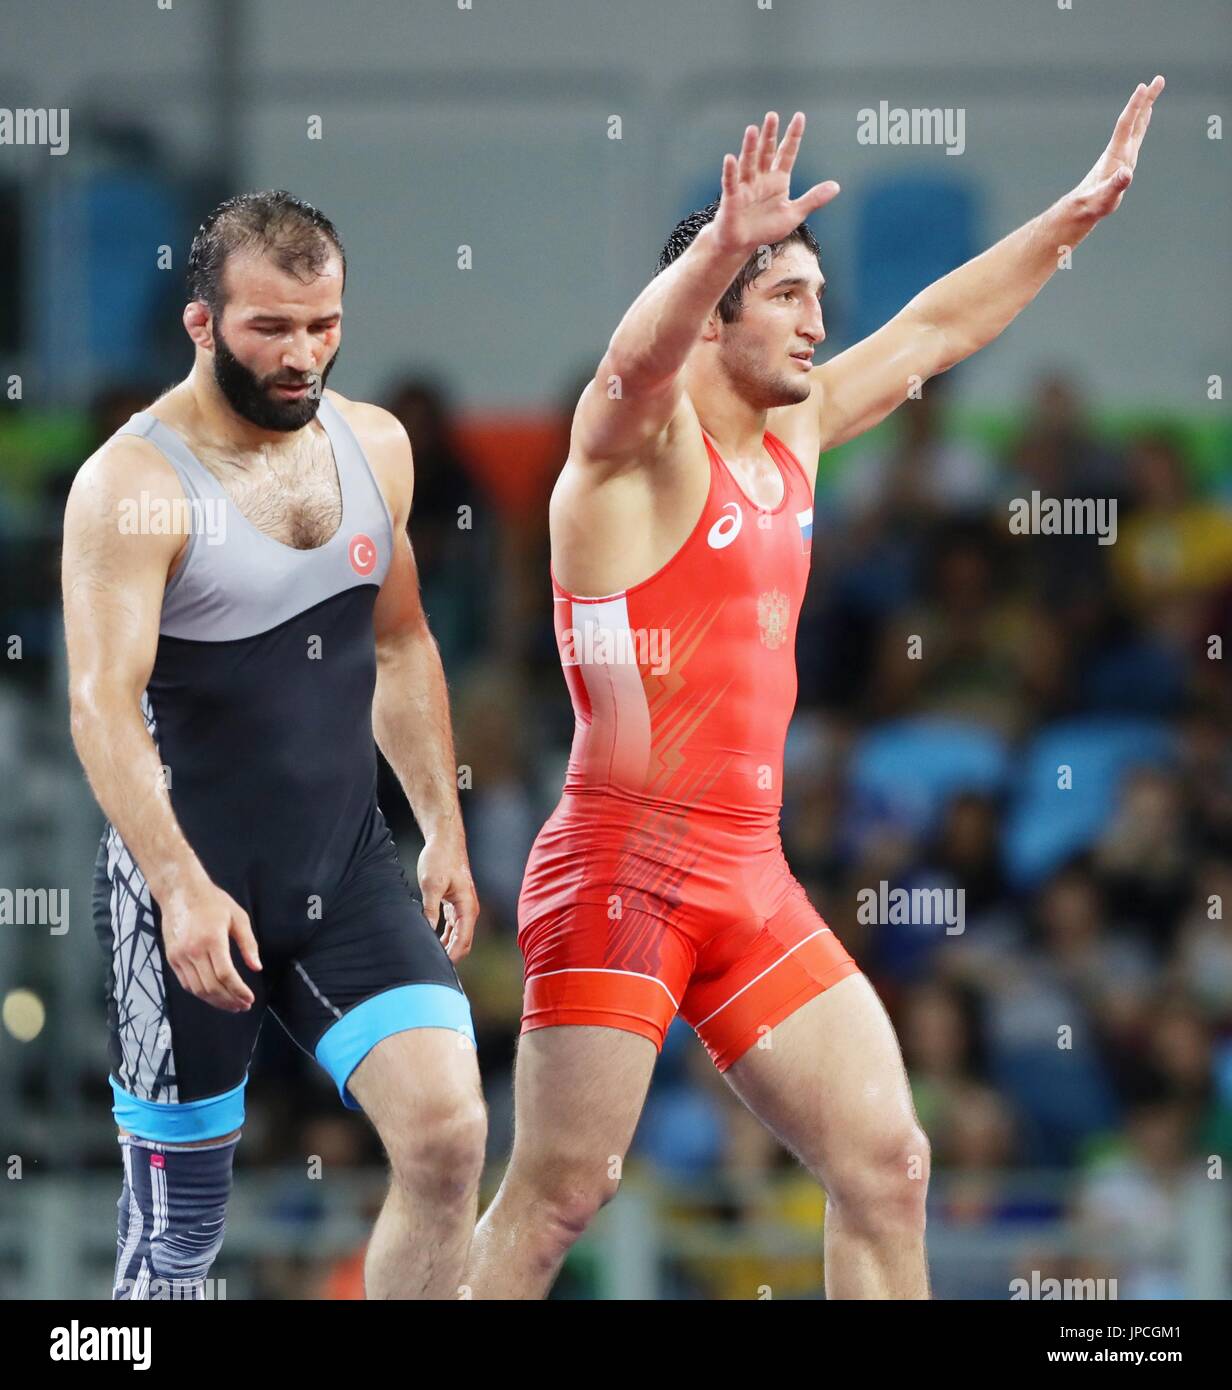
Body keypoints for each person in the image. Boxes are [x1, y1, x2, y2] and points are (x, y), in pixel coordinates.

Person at [468, 80, 1165, 1299]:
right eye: (786, 296)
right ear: (713, 313)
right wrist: (713, 250)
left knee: (887, 1162)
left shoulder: (792, 434)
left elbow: (934, 329)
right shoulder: (628, 453)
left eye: (816, 297)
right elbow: (636, 362)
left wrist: (1070, 219)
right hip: (619, 865)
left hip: (745, 867)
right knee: (557, 1198)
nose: (815, 323)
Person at [61, 190, 483, 1299]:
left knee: (448, 1137)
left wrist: (440, 822)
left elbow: (398, 646)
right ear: (202, 322)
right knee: (177, 1249)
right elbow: (102, 706)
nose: (303, 357)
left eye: (324, 326)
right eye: (271, 329)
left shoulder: (376, 446)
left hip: (342, 871)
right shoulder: (134, 486)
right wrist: (178, 886)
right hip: (192, 893)